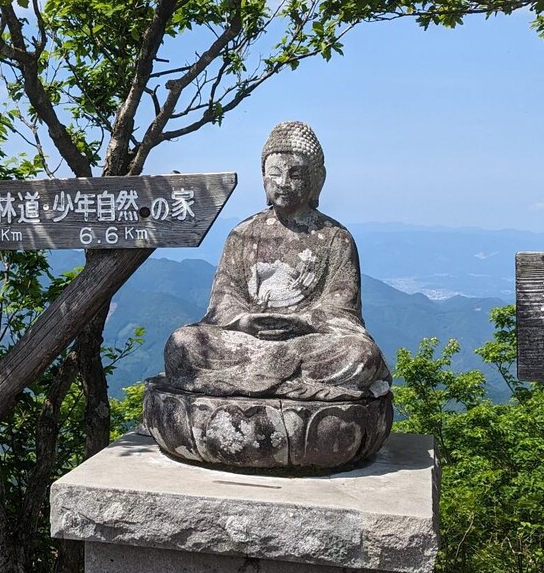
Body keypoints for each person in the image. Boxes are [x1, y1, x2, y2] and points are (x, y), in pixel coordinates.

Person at [161, 121, 391, 401]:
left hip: (305, 342)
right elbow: (224, 300)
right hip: (247, 343)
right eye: (275, 173)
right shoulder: (242, 235)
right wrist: (244, 322)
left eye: (295, 174)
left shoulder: (335, 238)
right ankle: (281, 384)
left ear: (316, 180)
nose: (283, 183)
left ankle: (240, 384)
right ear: (263, 177)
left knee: (360, 355)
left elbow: (342, 309)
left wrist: (302, 322)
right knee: (183, 343)